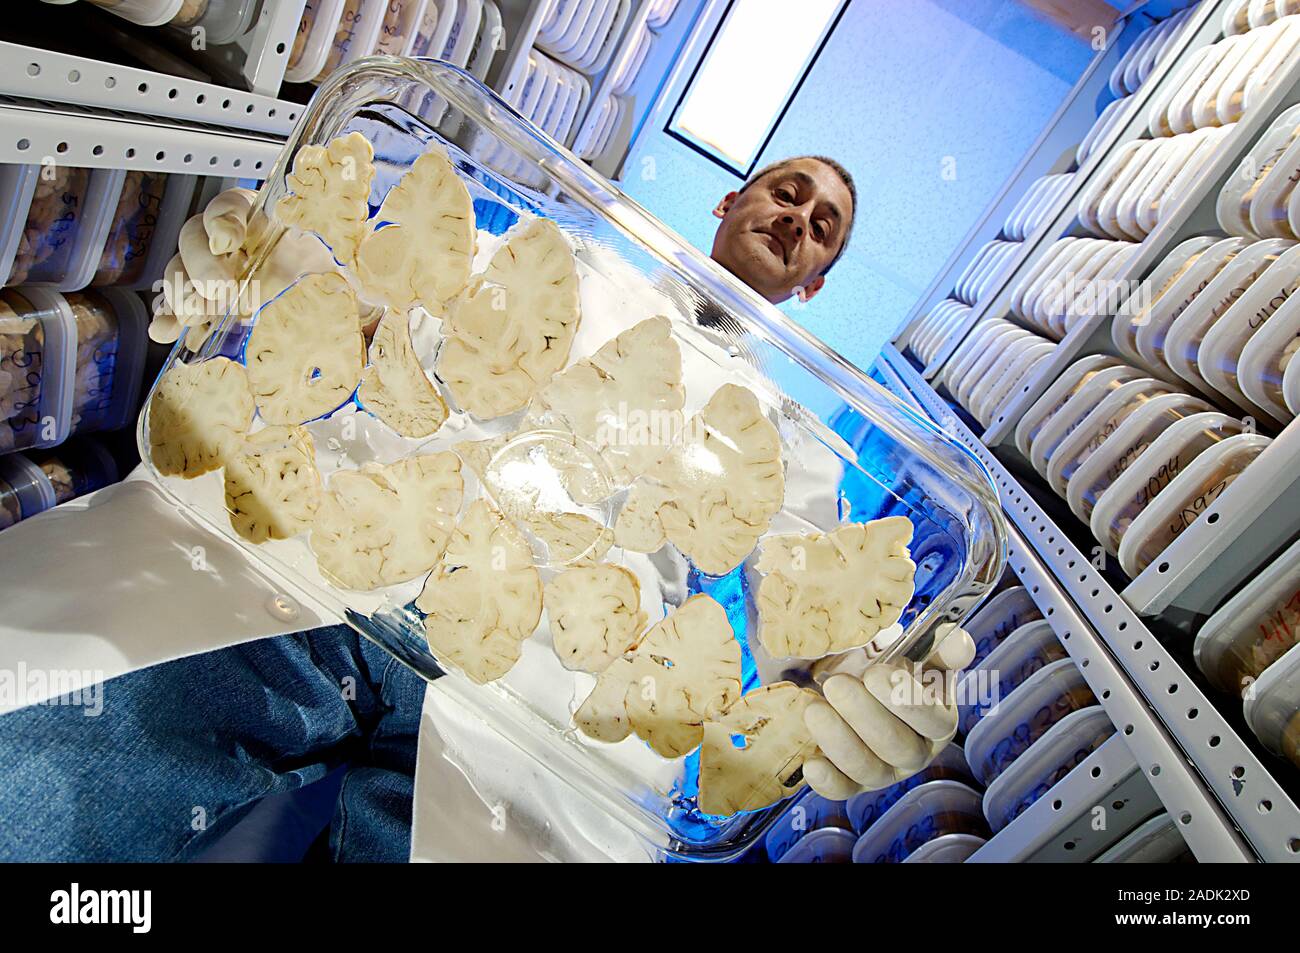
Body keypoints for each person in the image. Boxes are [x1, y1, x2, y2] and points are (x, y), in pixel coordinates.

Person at [0, 155, 972, 861]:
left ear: (815, 281)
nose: (799, 215)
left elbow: (803, 597)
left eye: (824, 224)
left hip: (538, 720)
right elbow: (385, 298)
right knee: (44, 774)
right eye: (786, 190)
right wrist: (274, 258)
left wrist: (866, 678)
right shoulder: (570, 262)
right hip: (330, 564)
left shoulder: (792, 434)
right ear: (730, 199)